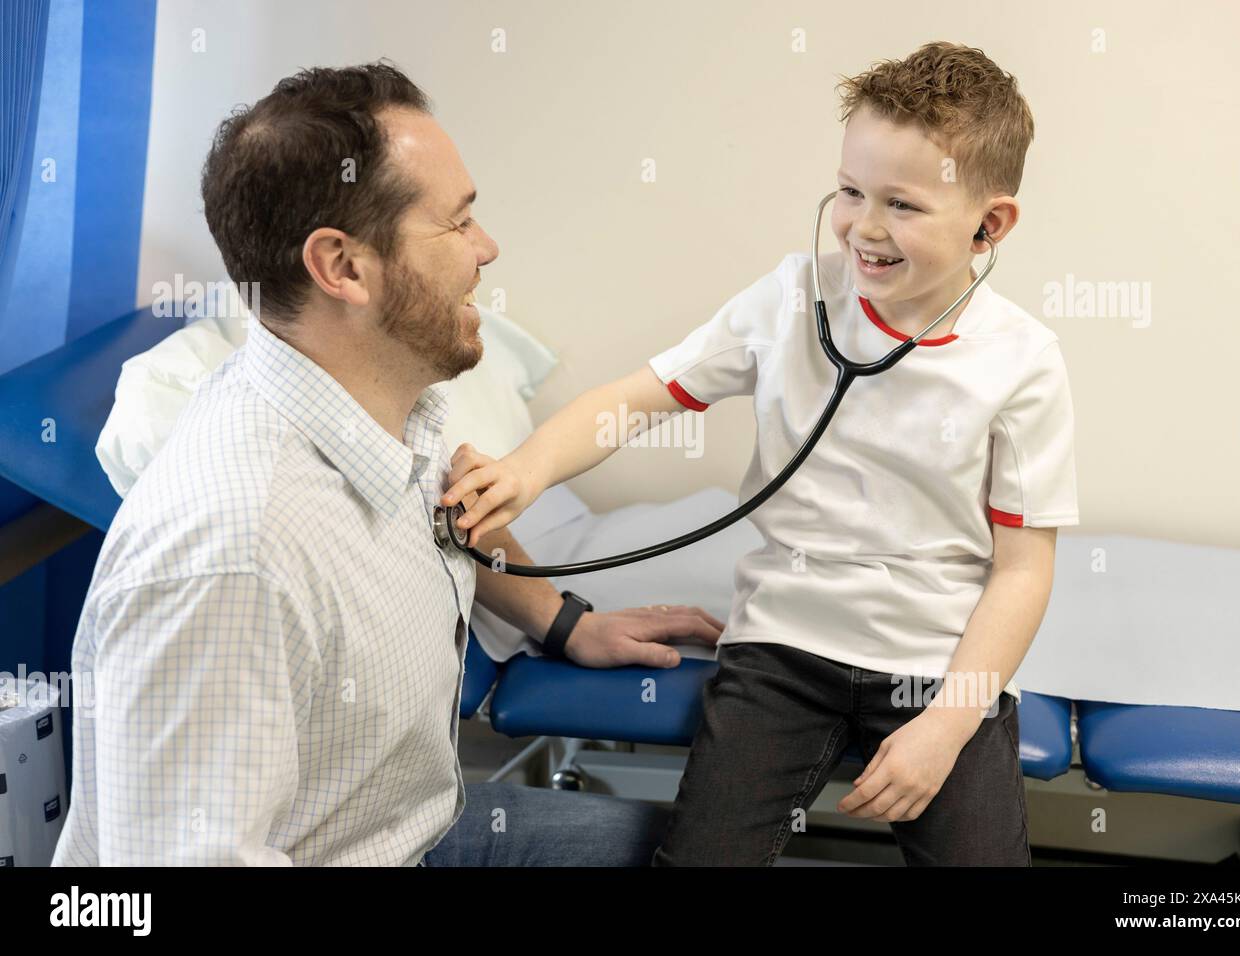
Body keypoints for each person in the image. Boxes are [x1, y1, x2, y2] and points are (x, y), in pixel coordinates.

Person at [52, 61, 725, 867]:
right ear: (342, 267)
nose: (487, 248)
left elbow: (443, 516)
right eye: (456, 223)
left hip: (414, 826)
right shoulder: (232, 555)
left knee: (716, 855)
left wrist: (565, 621)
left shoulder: (369, 401)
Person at [439, 41, 1080, 866]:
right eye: (850, 191)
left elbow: (1024, 570)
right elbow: (638, 398)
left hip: (936, 661)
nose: (866, 227)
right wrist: (526, 469)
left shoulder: (1021, 361)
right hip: (781, 647)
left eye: (904, 205)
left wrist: (949, 725)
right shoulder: (792, 297)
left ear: (990, 224)